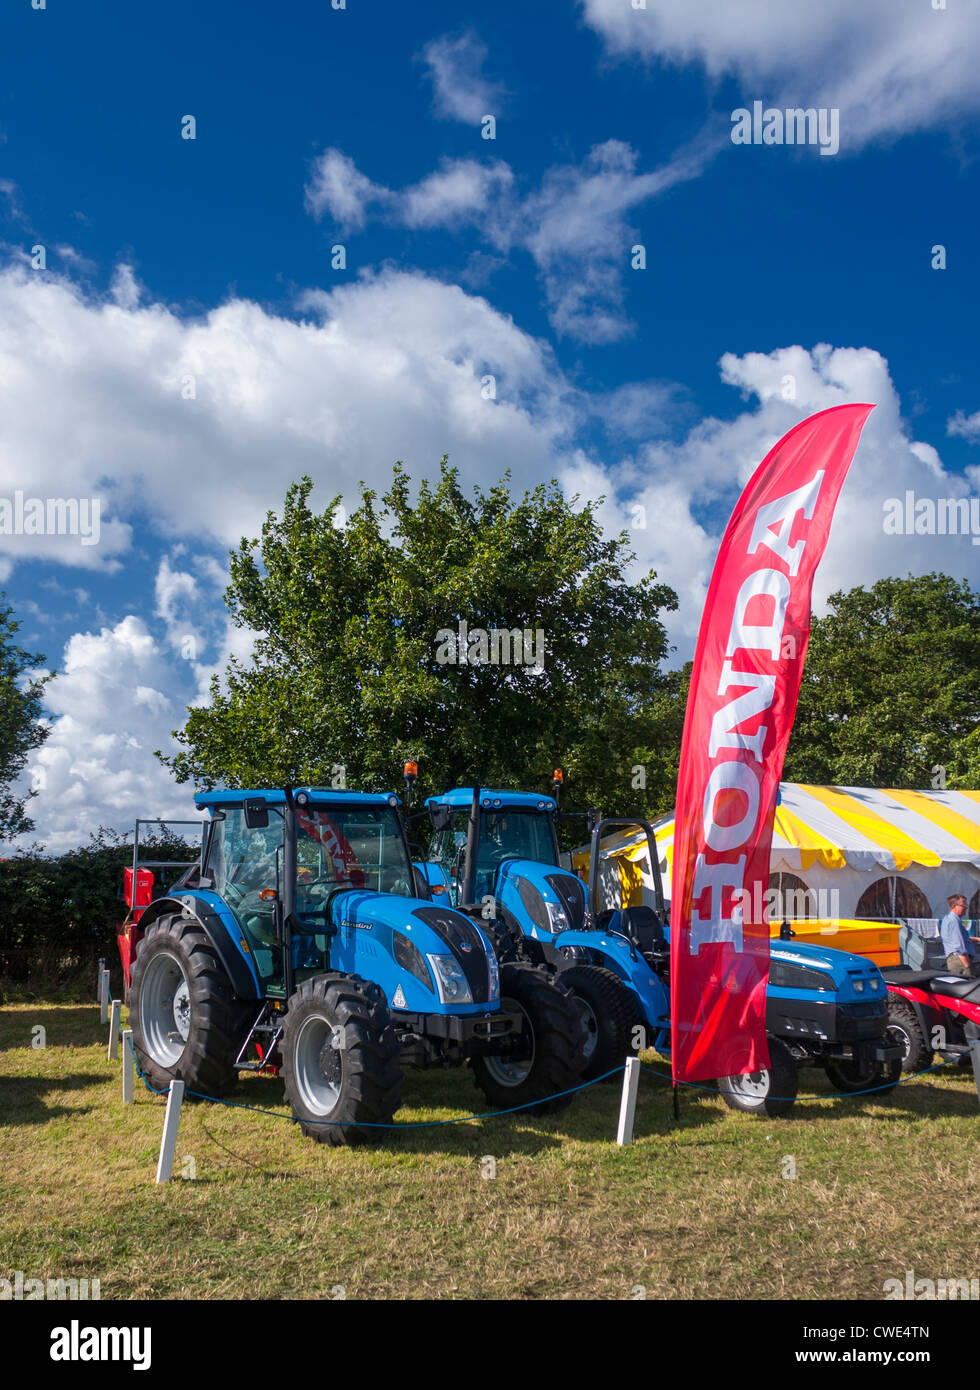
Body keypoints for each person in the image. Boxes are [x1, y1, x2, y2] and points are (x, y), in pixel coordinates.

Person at [939, 893, 980, 976]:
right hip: (960, 960)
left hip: (957, 959)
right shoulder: (954, 921)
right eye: (963, 904)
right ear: (954, 906)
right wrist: (966, 965)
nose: (966, 907)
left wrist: (977, 939)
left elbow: (959, 937)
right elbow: (958, 945)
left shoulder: (949, 919)